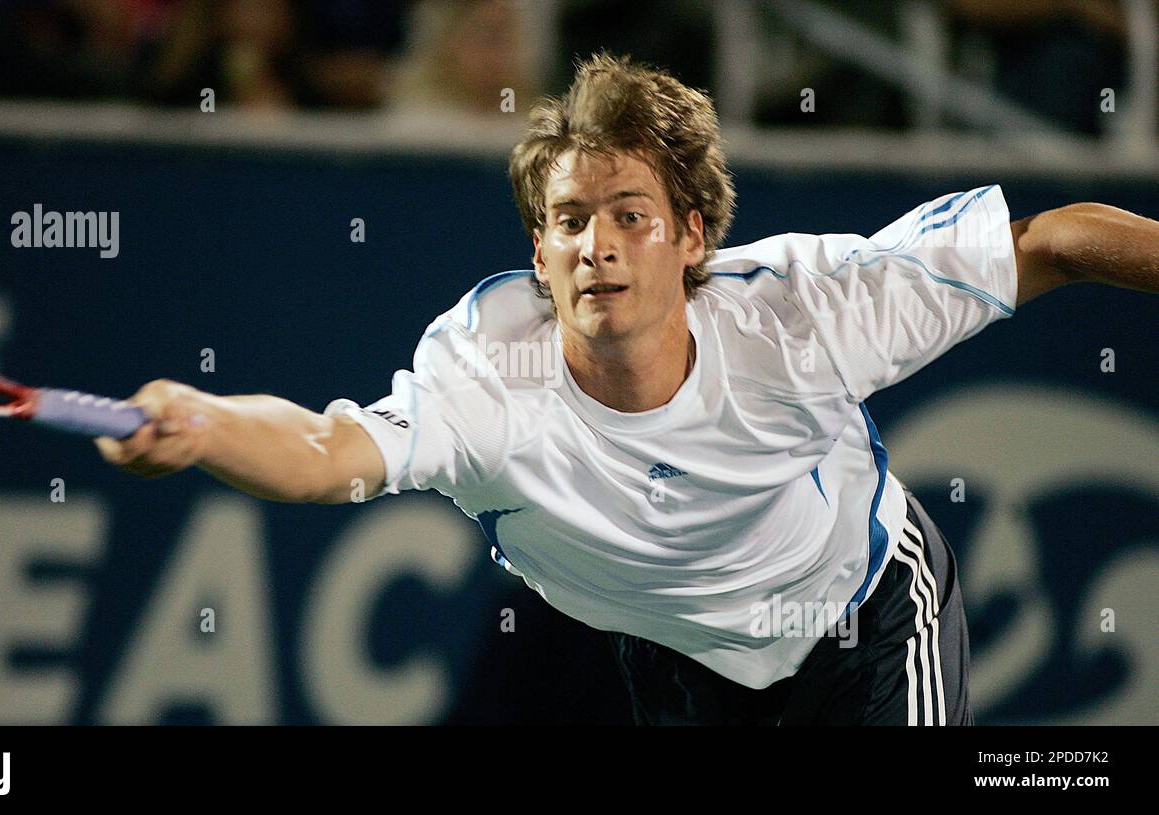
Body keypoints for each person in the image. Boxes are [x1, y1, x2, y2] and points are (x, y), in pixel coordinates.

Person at [96, 53, 1159, 725]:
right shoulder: (485, 373)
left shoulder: (804, 313)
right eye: (569, 220)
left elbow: (1056, 242)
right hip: (677, 659)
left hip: (866, 620)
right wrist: (202, 426)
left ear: (693, 236)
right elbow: (329, 456)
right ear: (539, 247)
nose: (596, 246)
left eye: (629, 214)